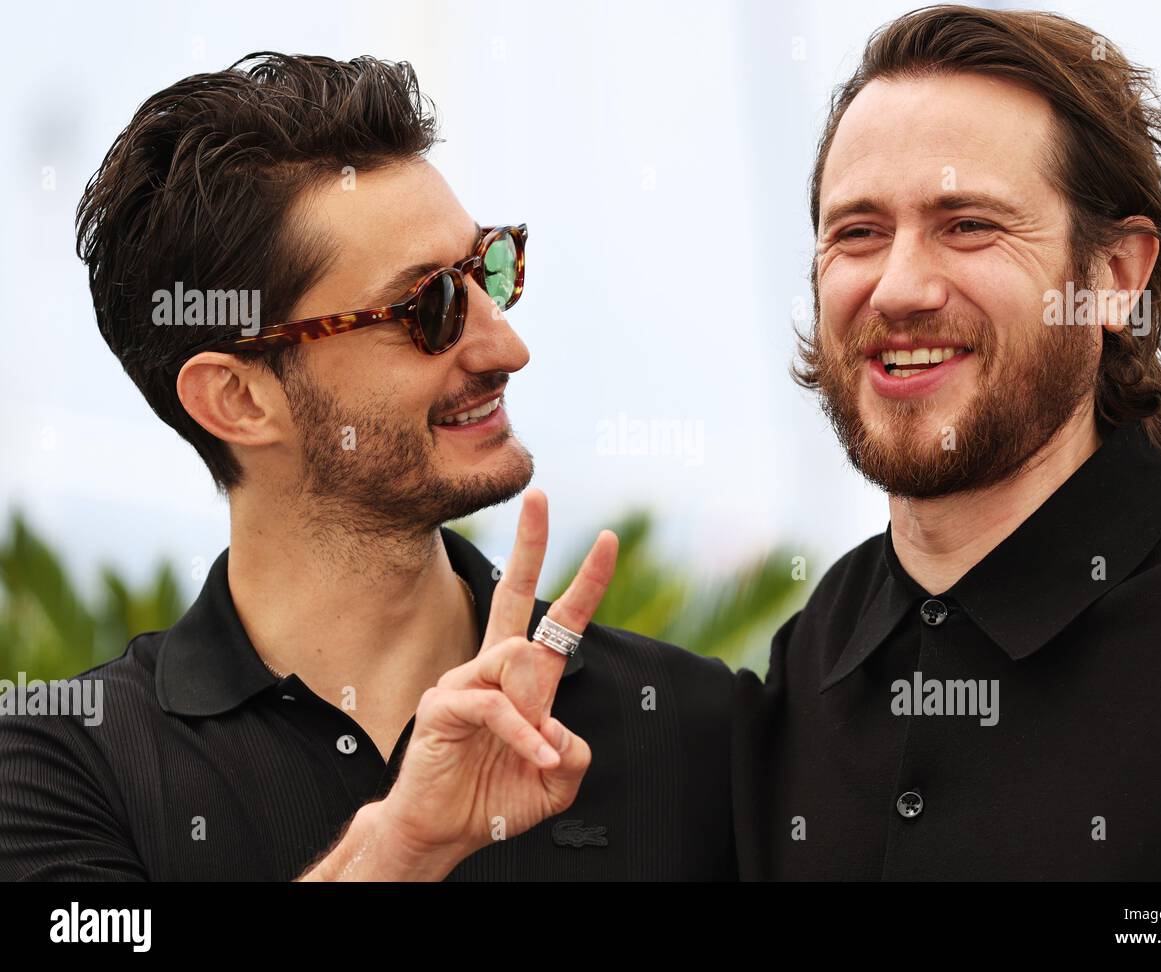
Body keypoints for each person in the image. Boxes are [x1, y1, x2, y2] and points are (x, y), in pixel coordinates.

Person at [0, 52, 735, 881]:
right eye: (430, 308)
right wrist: (398, 854)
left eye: (488, 269)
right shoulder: (60, 771)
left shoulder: (691, 723)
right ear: (237, 400)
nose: (507, 347)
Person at [733, 5, 1161, 880]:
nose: (900, 288)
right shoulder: (806, 662)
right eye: (858, 233)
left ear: (1116, 276)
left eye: (968, 225)